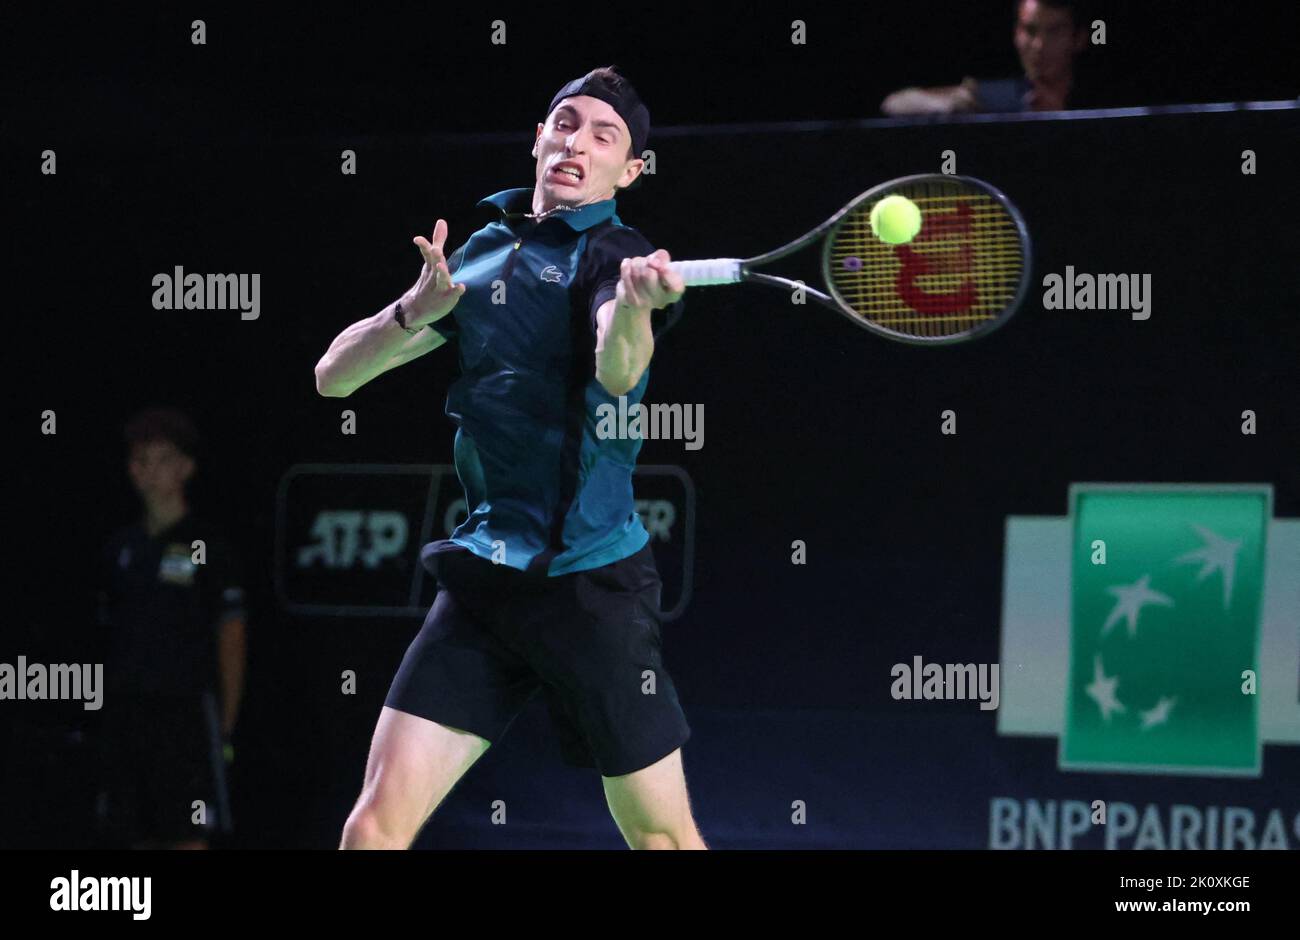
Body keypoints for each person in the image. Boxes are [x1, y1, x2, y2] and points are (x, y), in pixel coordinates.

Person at [316, 66, 705, 850]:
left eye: (605, 135)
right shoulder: (484, 249)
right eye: (565, 122)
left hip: (591, 586)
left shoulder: (612, 254)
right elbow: (334, 377)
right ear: (538, 139)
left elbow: (619, 371)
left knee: (662, 839)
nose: (577, 142)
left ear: (627, 172)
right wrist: (411, 312)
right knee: (373, 830)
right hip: (487, 577)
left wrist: (632, 306)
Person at [94, 406, 247, 848]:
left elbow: (231, 636)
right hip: (126, 714)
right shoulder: (121, 548)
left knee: (187, 832)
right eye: (139, 460)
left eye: (160, 459)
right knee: (126, 830)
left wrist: (226, 726)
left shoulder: (205, 548)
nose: (147, 470)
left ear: (186, 467)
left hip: (186, 718)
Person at [881, 0, 1095, 115]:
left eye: (1054, 31)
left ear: (1079, 38)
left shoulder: (1102, 101)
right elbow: (894, 103)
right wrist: (950, 105)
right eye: (1030, 31)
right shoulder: (998, 96)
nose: (1039, 45)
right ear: (1016, 34)